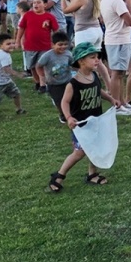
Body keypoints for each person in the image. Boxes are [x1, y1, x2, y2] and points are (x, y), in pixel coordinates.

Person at [48, 42, 122, 192]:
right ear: (81, 61)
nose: (97, 60)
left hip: (95, 121)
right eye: (92, 57)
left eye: (97, 57)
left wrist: (111, 99)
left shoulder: (94, 76)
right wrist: (68, 117)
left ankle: (92, 174)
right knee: (79, 152)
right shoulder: (73, 83)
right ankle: (59, 175)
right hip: (80, 124)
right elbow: (65, 101)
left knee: (95, 148)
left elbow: (98, 90)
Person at [35, 32, 74, 114]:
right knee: (59, 101)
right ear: (53, 44)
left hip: (67, 81)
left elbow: (72, 64)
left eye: (65, 44)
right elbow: (38, 66)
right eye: (60, 44)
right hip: (53, 83)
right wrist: (42, 76)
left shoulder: (68, 54)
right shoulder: (47, 56)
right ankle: (63, 115)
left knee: (70, 99)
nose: (63, 47)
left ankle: (70, 113)